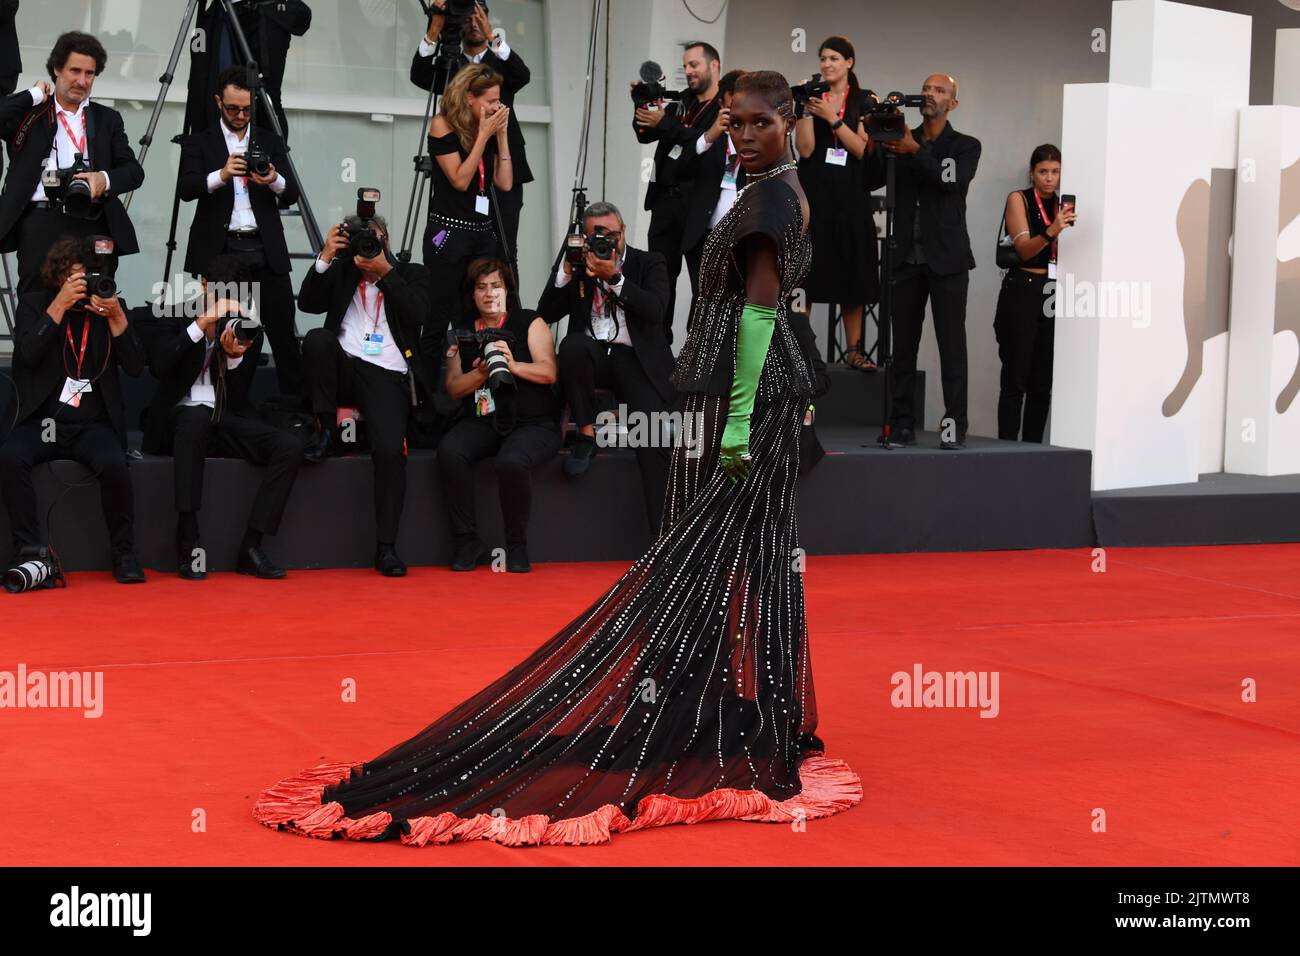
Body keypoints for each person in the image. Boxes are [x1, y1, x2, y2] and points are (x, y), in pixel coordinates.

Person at [254, 71, 859, 849]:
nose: (741, 137)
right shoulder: (770, 188)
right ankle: (733, 710)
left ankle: (722, 712)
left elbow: (759, 316)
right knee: (732, 557)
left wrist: (737, 424)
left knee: (713, 558)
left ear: (789, 125)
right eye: (733, 125)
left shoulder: (772, 200)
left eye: (758, 125)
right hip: (729, 397)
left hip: (734, 403)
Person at [139, 255, 302, 580]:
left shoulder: (247, 325)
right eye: (221, 296)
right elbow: (160, 366)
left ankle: (252, 546)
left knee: (289, 447)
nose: (228, 305)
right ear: (203, 286)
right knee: (194, 418)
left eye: (236, 297)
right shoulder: (173, 312)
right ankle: (188, 539)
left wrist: (231, 357)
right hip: (176, 419)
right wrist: (201, 327)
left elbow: (237, 396)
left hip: (222, 417)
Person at [0, 237, 146, 583]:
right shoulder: (36, 305)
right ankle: (29, 552)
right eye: (75, 278)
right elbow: (27, 355)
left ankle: (124, 553)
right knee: (9, 457)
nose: (84, 284)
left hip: (91, 426)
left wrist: (117, 317)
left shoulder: (109, 307)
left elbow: (137, 366)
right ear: (58, 278)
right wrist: (60, 307)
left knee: (114, 465)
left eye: (89, 276)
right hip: (41, 422)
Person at [298, 216, 435, 578]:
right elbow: (308, 304)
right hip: (344, 363)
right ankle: (324, 430)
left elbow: (418, 313)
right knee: (316, 339)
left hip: (387, 372)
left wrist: (385, 272)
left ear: (386, 240)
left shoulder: (411, 272)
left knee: (390, 452)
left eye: (373, 239)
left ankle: (386, 547)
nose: (366, 246)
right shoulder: (343, 271)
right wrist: (327, 255)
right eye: (359, 239)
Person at [538, 201, 673, 527]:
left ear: (623, 231)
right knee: (572, 346)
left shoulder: (649, 262)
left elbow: (655, 310)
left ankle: (664, 541)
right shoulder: (578, 265)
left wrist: (614, 278)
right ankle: (586, 434)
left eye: (611, 235)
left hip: (635, 360)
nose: (605, 243)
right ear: (583, 237)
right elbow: (546, 313)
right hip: (591, 356)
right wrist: (565, 274)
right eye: (596, 237)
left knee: (652, 439)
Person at [871, 73, 981, 449]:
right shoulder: (901, 138)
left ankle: (953, 428)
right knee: (902, 346)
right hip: (904, 257)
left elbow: (950, 180)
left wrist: (915, 151)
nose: (930, 94)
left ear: (953, 103)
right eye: (927, 88)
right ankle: (901, 425)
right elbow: (870, 178)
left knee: (952, 348)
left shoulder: (965, 146)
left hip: (947, 259)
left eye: (940, 90)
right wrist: (872, 133)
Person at [179, 66, 303, 397]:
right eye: (233, 108)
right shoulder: (200, 141)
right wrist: (221, 174)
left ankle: (296, 409)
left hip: (265, 248)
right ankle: (225, 405)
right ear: (219, 101)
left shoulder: (269, 140)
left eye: (247, 109)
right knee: (224, 329)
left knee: (282, 332)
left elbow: (292, 194)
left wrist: (273, 179)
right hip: (222, 251)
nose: (240, 115)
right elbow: (186, 188)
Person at [0, 32, 144, 297]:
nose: (82, 81)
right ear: (56, 69)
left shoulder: (107, 119)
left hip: (92, 219)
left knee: (95, 300)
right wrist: (31, 95)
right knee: (36, 303)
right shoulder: (31, 114)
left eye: (89, 74)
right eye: (74, 71)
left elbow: (134, 172)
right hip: (40, 220)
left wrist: (103, 179)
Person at [439, 258, 559, 574]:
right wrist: (480, 373)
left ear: (507, 290)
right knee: (451, 451)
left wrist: (512, 364)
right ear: (472, 294)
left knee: (511, 461)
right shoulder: (460, 330)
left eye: (496, 286)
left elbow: (549, 372)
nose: (489, 293)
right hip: (484, 419)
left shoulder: (529, 321)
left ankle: (516, 545)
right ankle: (467, 541)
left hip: (532, 422)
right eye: (482, 287)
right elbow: (453, 388)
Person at [412, 0, 532, 262]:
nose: (474, 22)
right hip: (463, 168)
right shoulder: (450, 62)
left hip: (502, 164)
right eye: (467, 17)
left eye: (480, 16)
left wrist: (493, 38)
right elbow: (420, 76)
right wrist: (435, 29)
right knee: (460, 249)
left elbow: (523, 75)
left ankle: (506, 303)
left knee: (505, 250)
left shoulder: (498, 62)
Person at [795, 36, 884, 372]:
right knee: (807, 275)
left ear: (850, 62)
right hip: (816, 197)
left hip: (851, 199)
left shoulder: (864, 99)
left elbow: (863, 150)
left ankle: (854, 350)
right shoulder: (812, 98)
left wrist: (833, 119)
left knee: (853, 273)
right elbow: (804, 150)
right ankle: (801, 350)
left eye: (834, 58)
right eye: (822, 58)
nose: (827, 64)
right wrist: (805, 107)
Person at [633, 41, 724, 344]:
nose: (688, 71)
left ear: (714, 65)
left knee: (702, 285)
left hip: (698, 208)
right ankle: (658, 347)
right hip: (664, 204)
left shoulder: (724, 107)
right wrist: (642, 105)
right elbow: (645, 134)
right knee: (660, 280)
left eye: (694, 65)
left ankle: (697, 354)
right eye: (685, 66)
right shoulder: (681, 102)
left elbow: (707, 143)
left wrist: (667, 124)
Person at [419, 63, 512, 341]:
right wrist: (483, 136)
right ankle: (428, 384)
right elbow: (459, 180)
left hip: (482, 234)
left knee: (477, 317)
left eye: (499, 100)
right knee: (440, 313)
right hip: (447, 233)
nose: (497, 106)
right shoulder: (442, 125)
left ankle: (474, 384)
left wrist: (502, 135)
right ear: (469, 97)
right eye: (491, 100)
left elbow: (505, 183)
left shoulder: (487, 127)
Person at [996, 144, 1075, 443]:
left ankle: (1032, 449)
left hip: (1054, 293)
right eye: (1043, 172)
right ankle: (1006, 446)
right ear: (1032, 173)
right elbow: (1025, 251)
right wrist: (1052, 231)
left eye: (1055, 172)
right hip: (1023, 289)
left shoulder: (1064, 206)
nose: (1049, 178)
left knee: (1042, 382)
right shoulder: (1019, 199)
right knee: (1015, 377)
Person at [186, 0, 312, 142]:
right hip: (229, 11)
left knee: (266, 95)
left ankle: (275, 157)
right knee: (218, 88)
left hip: (265, 14)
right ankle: (222, 152)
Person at [680, 68, 746, 331]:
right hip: (705, 234)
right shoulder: (709, 135)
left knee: (739, 300)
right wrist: (710, 135)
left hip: (743, 233)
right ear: (723, 102)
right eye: (735, 99)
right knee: (705, 298)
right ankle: (697, 359)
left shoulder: (758, 134)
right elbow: (680, 170)